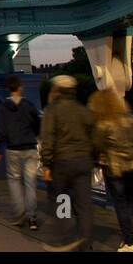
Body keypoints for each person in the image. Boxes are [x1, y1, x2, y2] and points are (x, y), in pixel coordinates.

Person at [39, 74, 96, 251]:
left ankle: (67, 237)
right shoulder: (83, 110)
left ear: (56, 90)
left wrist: (46, 164)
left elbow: (48, 138)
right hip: (83, 161)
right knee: (84, 205)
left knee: (61, 199)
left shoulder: (52, 110)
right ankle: (85, 243)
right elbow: (94, 135)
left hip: (62, 163)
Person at [90, 87, 133, 251]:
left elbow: (97, 146)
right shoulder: (130, 120)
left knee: (121, 204)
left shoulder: (102, 125)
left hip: (114, 168)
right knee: (131, 202)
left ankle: (130, 243)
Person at [0, 74, 41, 231]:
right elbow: (37, 123)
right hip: (30, 147)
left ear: (7, 89)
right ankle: (32, 218)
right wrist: (35, 135)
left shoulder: (3, 107)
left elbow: (0, 130)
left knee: (14, 182)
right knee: (30, 183)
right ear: (20, 87)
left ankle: (20, 214)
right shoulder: (29, 105)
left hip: (13, 149)